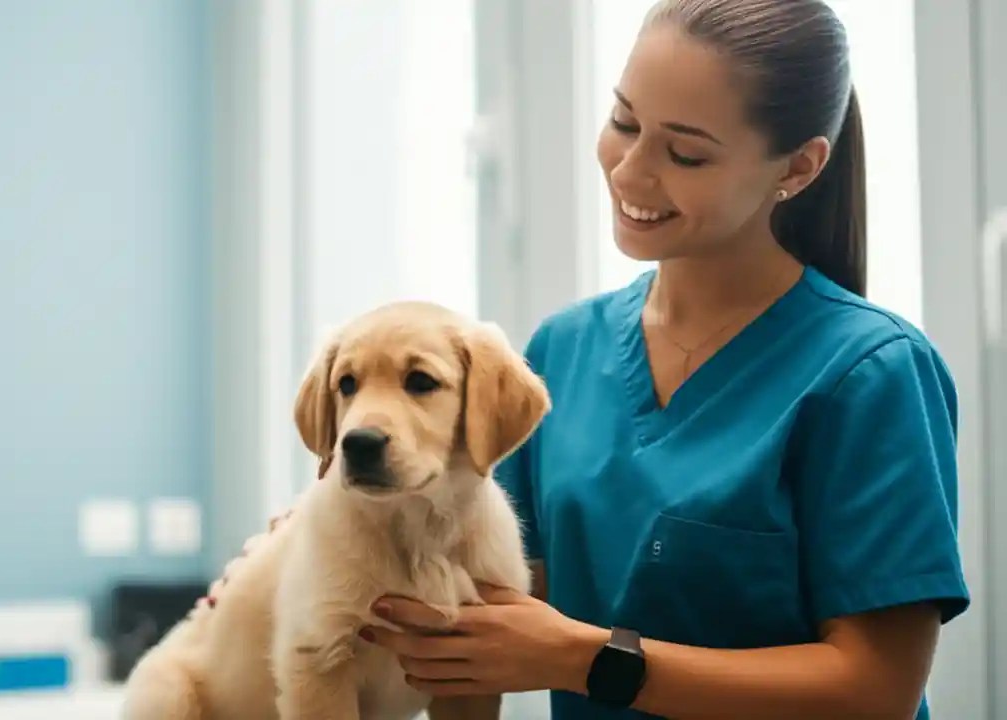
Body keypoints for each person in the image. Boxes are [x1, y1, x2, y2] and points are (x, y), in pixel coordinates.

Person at [357, 1, 970, 718]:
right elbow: (486, 605)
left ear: (798, 168)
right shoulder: (561, 351)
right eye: (623, 122)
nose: (630, 171)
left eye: (685, 154)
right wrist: (319, 551)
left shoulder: (872, 373)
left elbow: (875, 690)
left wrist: (584, 659)